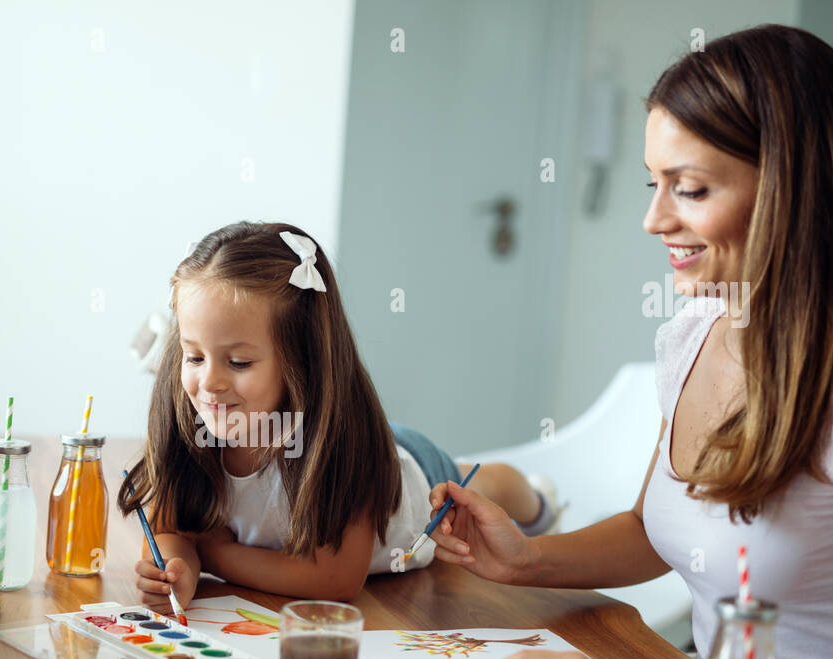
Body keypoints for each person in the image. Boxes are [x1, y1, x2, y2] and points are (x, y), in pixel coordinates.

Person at [427, 25, 833, 659]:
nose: (655, 219)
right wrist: (527, 560)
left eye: (692, 189)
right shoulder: (697, 333)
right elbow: (659, 528)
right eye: (655, 183)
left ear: (791, 190)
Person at [120, 221, 555, 610]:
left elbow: (335, 579)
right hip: (358, 437)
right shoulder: (189, 425)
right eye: (194, 357)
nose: (208, 382)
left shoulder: (342, 451)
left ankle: (537, 498)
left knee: (482, 487)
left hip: (412, 475)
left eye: (238, 363)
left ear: (301, 360)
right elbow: (168, 531)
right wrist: (179, 568)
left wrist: (213, 554)